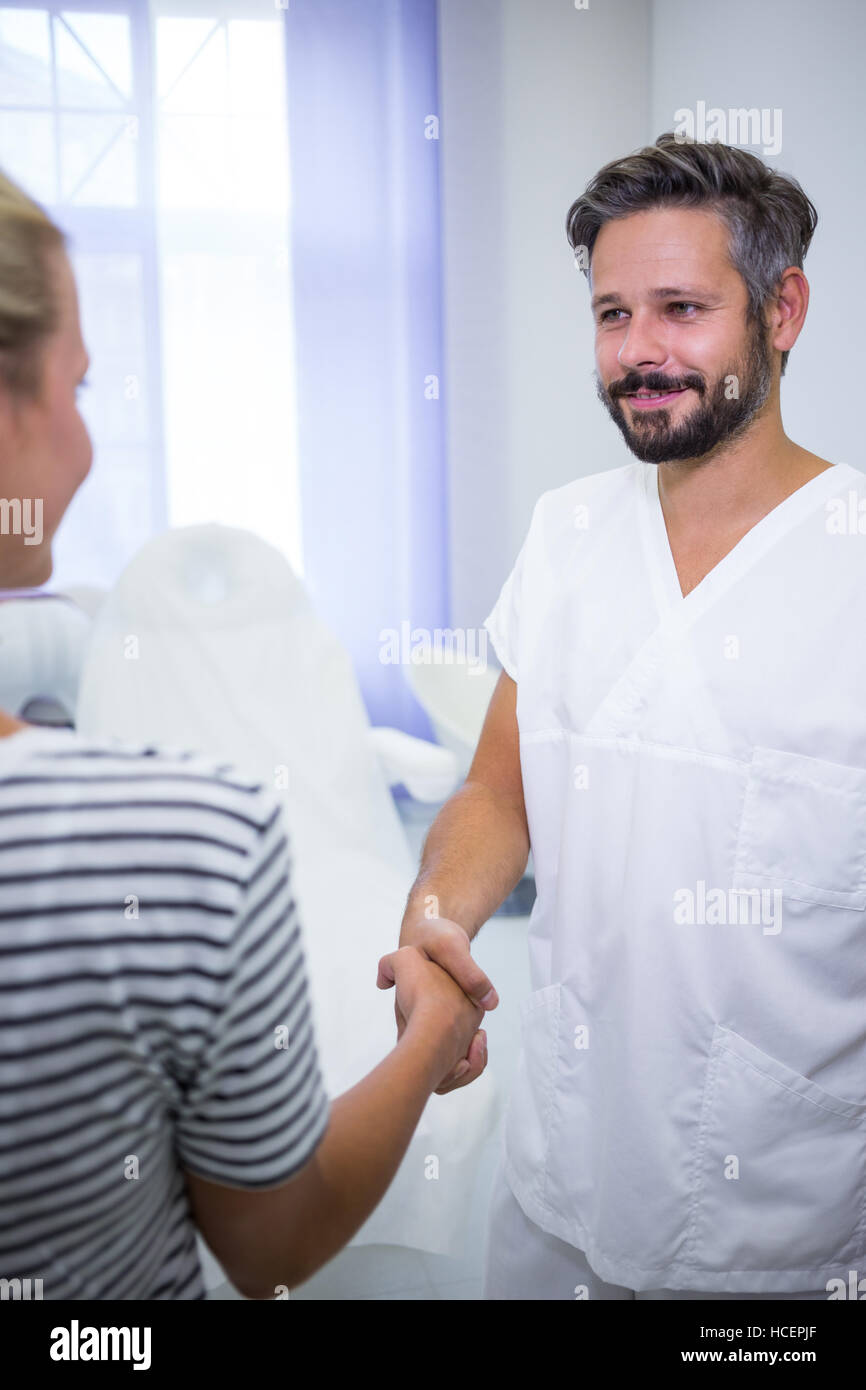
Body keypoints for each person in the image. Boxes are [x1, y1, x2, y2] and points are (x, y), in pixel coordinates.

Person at [0, 168, 496, 1300]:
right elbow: (269, 1240)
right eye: (77, 388)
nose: (84, 444)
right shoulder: (187, 843)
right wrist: (430, 1028)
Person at [398, 132, 866, 1300]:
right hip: (560, 1181)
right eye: (612, 315)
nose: (638, 353)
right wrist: (436, 929)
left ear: (782, 310)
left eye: (679, 309)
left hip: (782, 1225)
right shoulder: (564, 536)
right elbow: (499, 790)